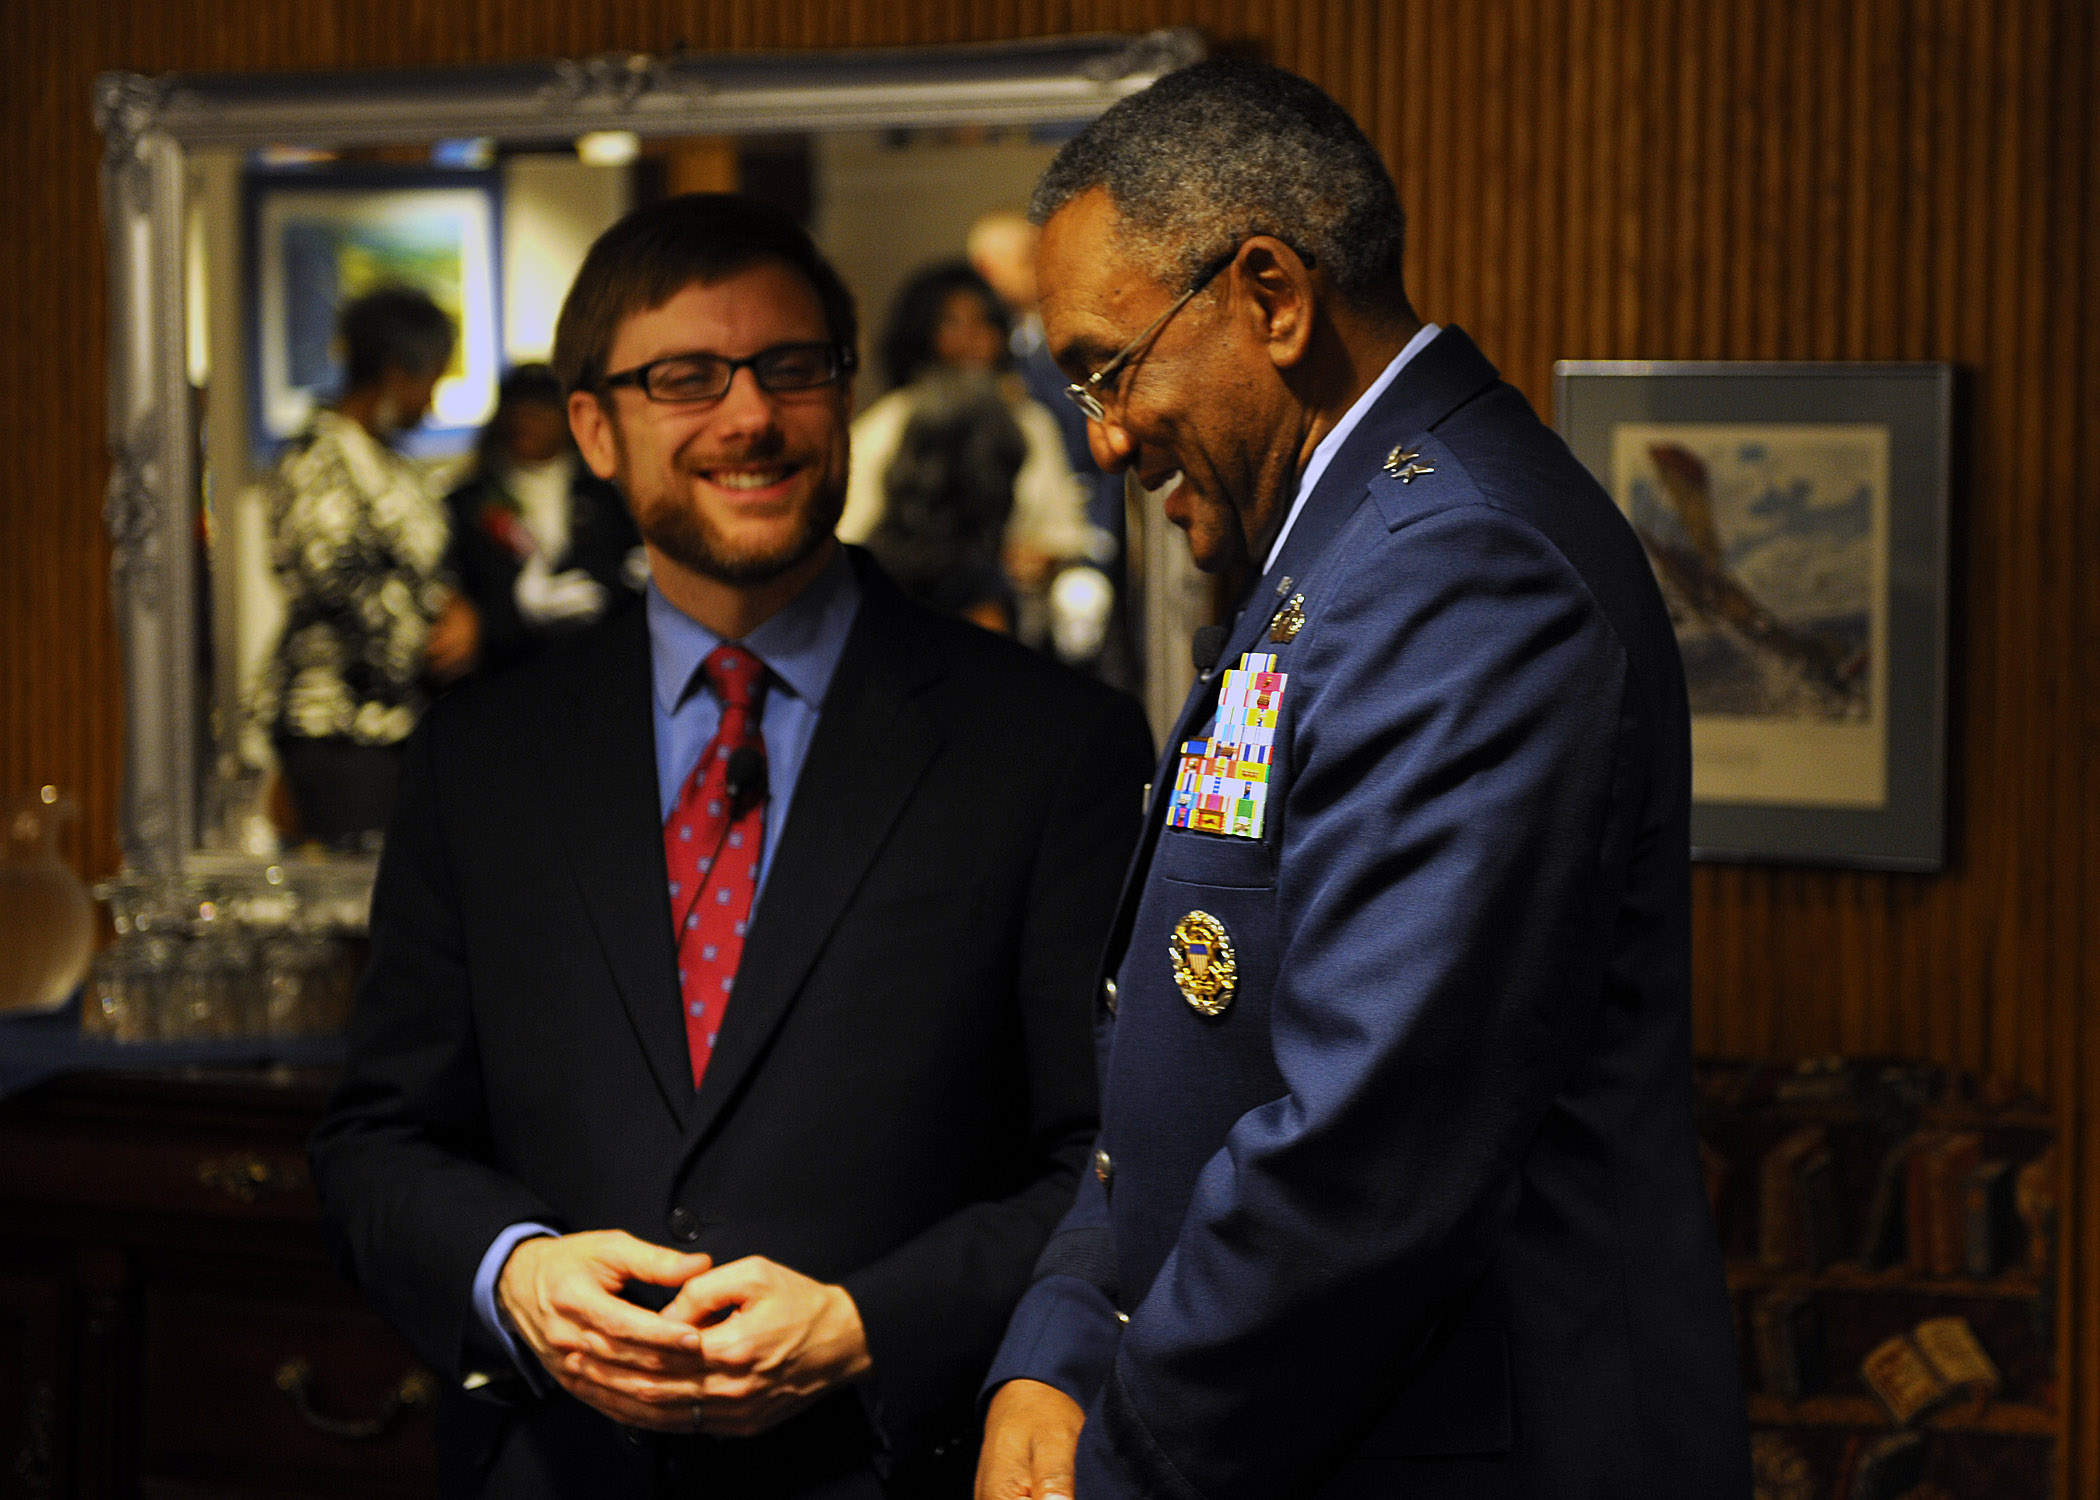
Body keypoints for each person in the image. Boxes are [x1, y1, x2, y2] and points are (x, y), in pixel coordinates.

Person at [977, 59, 1751, 1500]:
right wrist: (1063, 1331)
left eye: (1108, 366)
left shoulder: (1464, 565)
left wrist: (1125, 1462)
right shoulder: (1345, 549)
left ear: (1269, 294)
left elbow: (1364, 1158)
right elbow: (1180, 1035)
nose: (1104, 434)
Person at [308, 194, 1153, 1499]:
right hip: (556, 1466)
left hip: (891, 1465)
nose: (749, 417)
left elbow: (1108, 1153)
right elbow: (378, 1140)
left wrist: (872, 1324)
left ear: (844, 390)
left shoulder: (1046, 746)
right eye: (685, 378)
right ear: (596, 426)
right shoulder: (483, 754)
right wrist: (516, 1272)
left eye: (790, 369)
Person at [256, 284, 479, 848]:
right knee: (367, 915)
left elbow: (426, 569)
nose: (430, 404)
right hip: (339, 733)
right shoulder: (316, 458)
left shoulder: (388, 461)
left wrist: (461, 613)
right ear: (395, 369)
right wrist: (435, 636)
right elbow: (337, 584)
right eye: (431, 380)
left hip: (398, 728)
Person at [838, 262, 1109, 652]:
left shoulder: (1030, 423)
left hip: (1010, 621)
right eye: (951, 324)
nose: (972, 339)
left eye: (984, 323)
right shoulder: (885, 426)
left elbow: (1064, 532)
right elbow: (852, 541)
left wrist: (1039, 558)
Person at [443, 362, 647, 679]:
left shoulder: (608, 496)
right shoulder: (466, 504)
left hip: (598, 671)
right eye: (517, 408)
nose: (526, 419)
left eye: (541, 408)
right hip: (507, 679)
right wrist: (517, 610)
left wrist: (603, 592)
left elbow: (633, 570)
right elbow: (458, 599)